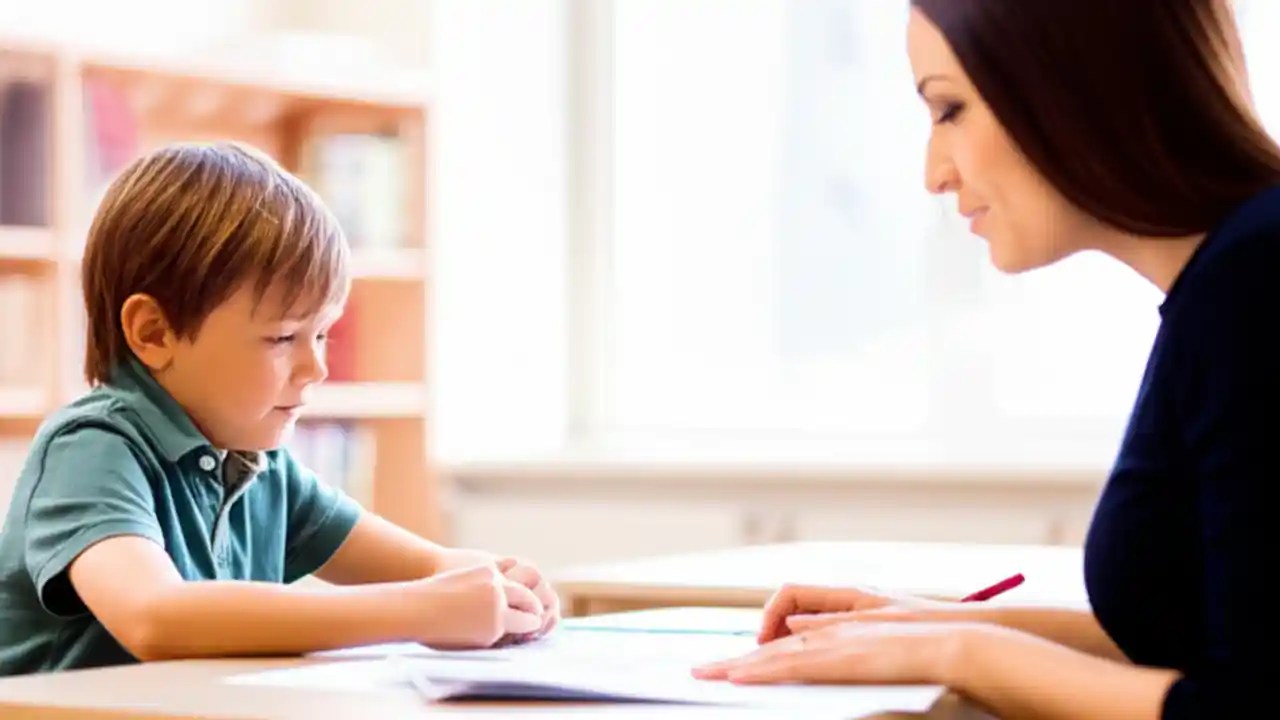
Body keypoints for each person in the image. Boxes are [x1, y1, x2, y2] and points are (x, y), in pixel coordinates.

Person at [694, 1, 1280, 718]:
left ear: (1070, 82)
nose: (933, 174)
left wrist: (959, 652)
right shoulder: (1227, 279)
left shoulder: (1256, 283)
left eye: (949, 108)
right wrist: (935, 625)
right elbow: (1197, 636)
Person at [0, 142, 559, 675]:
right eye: (283, 338)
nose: (315, 369)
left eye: (322, 336)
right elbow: (155, 617)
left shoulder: (255, 465)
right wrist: (422, 610)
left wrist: (499, 585)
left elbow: (431, 567)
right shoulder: (91, 448)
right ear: (155, 333)